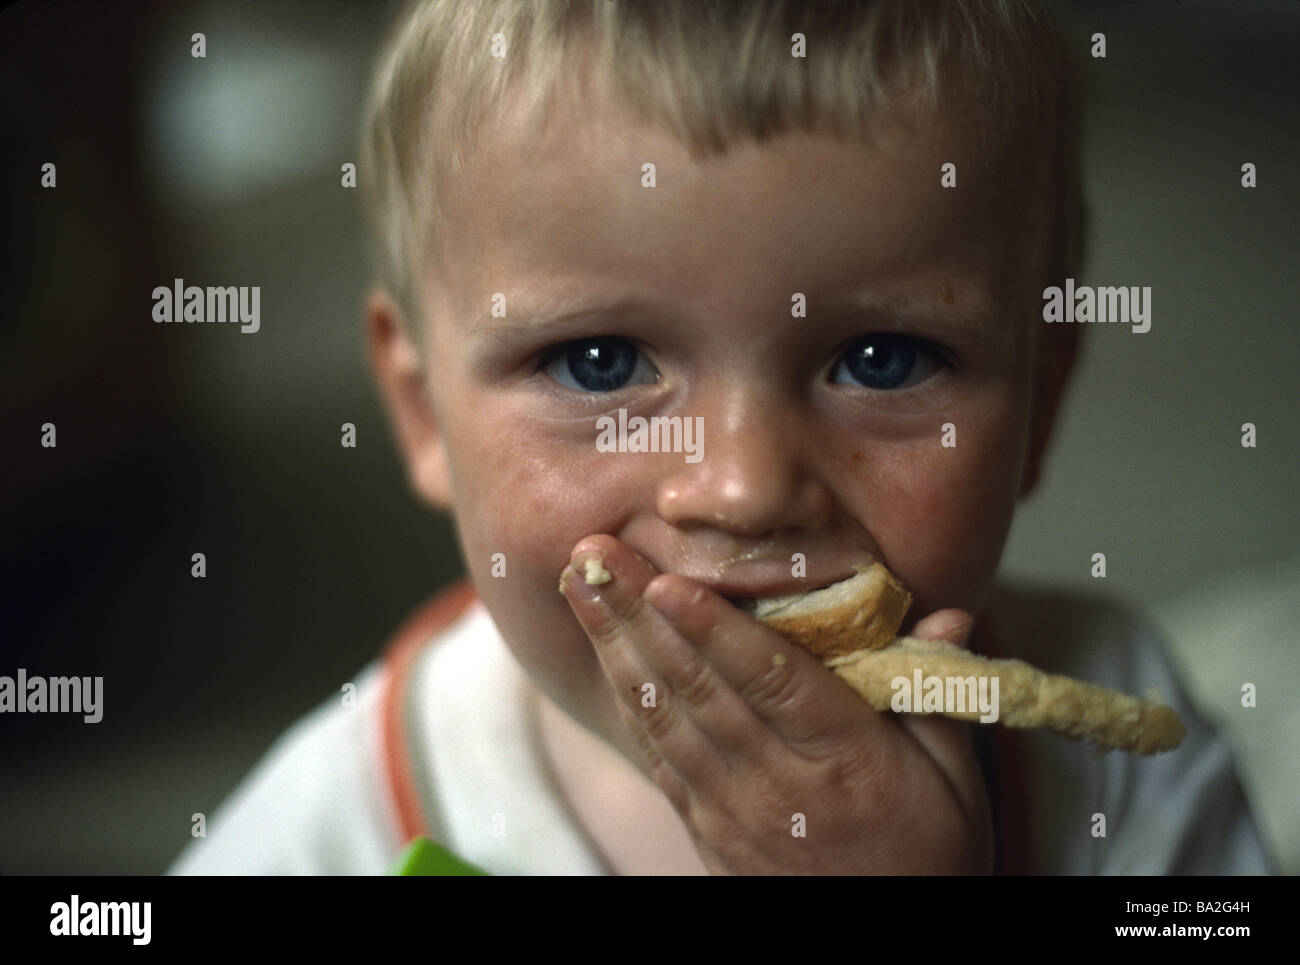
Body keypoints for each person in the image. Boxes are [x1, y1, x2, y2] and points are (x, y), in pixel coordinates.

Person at [170, 0, 1272, 875]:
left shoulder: (1119, 765)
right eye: (598, 362)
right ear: (421, 414)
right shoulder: (331, 824)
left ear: (1043, 396)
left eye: (881, 359)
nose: (744, 487)